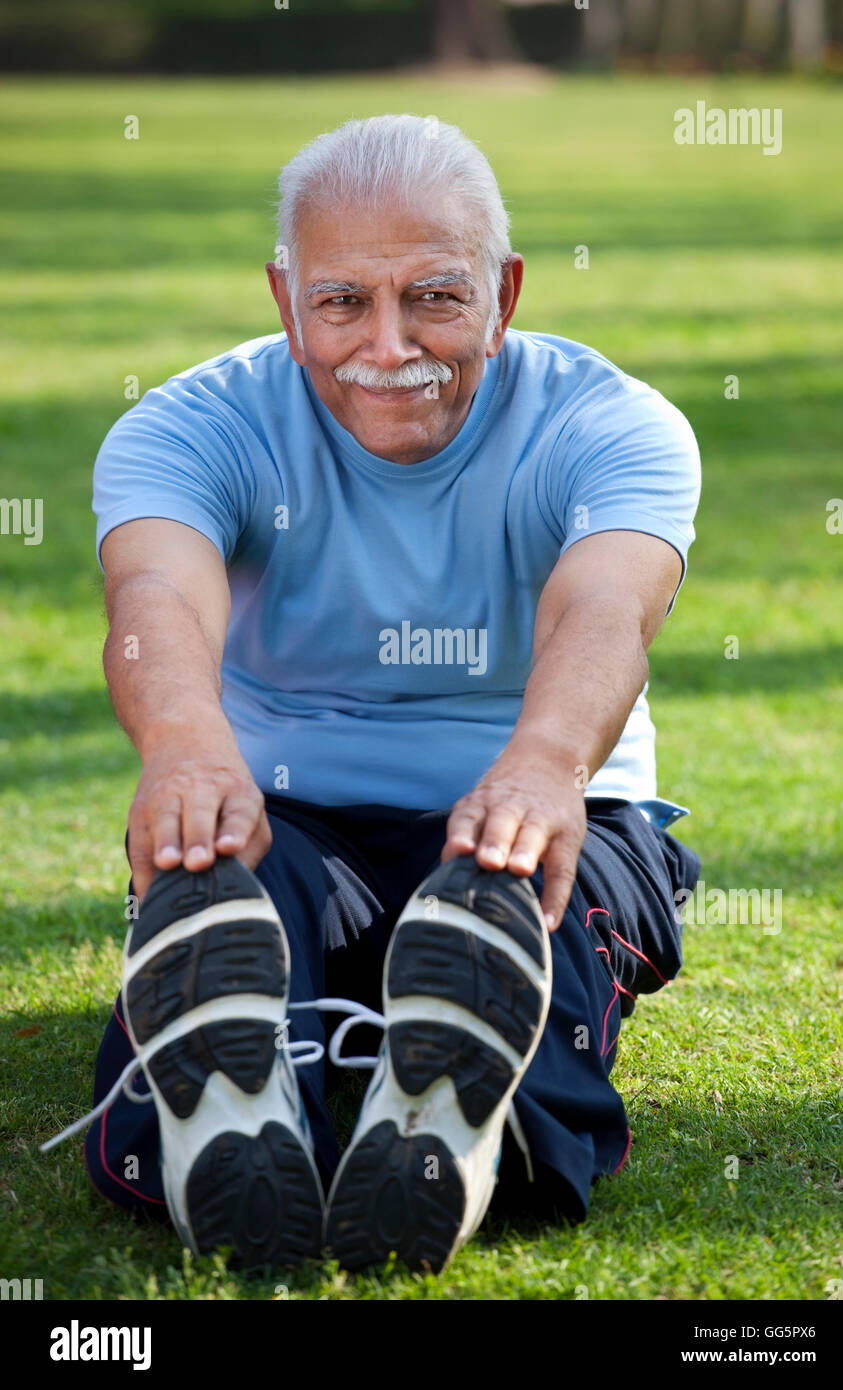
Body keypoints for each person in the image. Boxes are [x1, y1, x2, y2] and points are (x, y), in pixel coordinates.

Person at [60, 114, 702, 1274]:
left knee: (511, 897)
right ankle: (228, 1127)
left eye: (435, 298)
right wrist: (188, 747)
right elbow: (156, 592)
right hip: (285, 816)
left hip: (550, 810)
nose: (389, 345)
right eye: (343, 301)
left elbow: (605, 609)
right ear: (283, 294)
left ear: (504, 291)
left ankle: (473, 1136)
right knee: (223, 882)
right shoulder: (190, 425)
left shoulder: (610, 422)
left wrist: (544, 763)